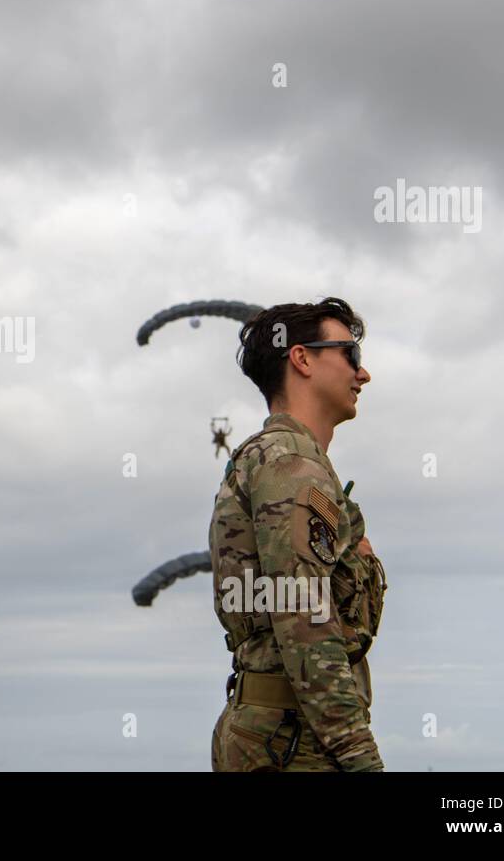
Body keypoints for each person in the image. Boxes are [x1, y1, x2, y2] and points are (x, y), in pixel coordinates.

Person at [209, 297, 387, 771]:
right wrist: (358, 755)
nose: (362, 374)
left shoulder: (283, 460)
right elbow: (303, 615)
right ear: (302, 358)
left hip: (280, 732)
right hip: (294, 742)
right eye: (350, 354)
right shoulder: (290, 463)